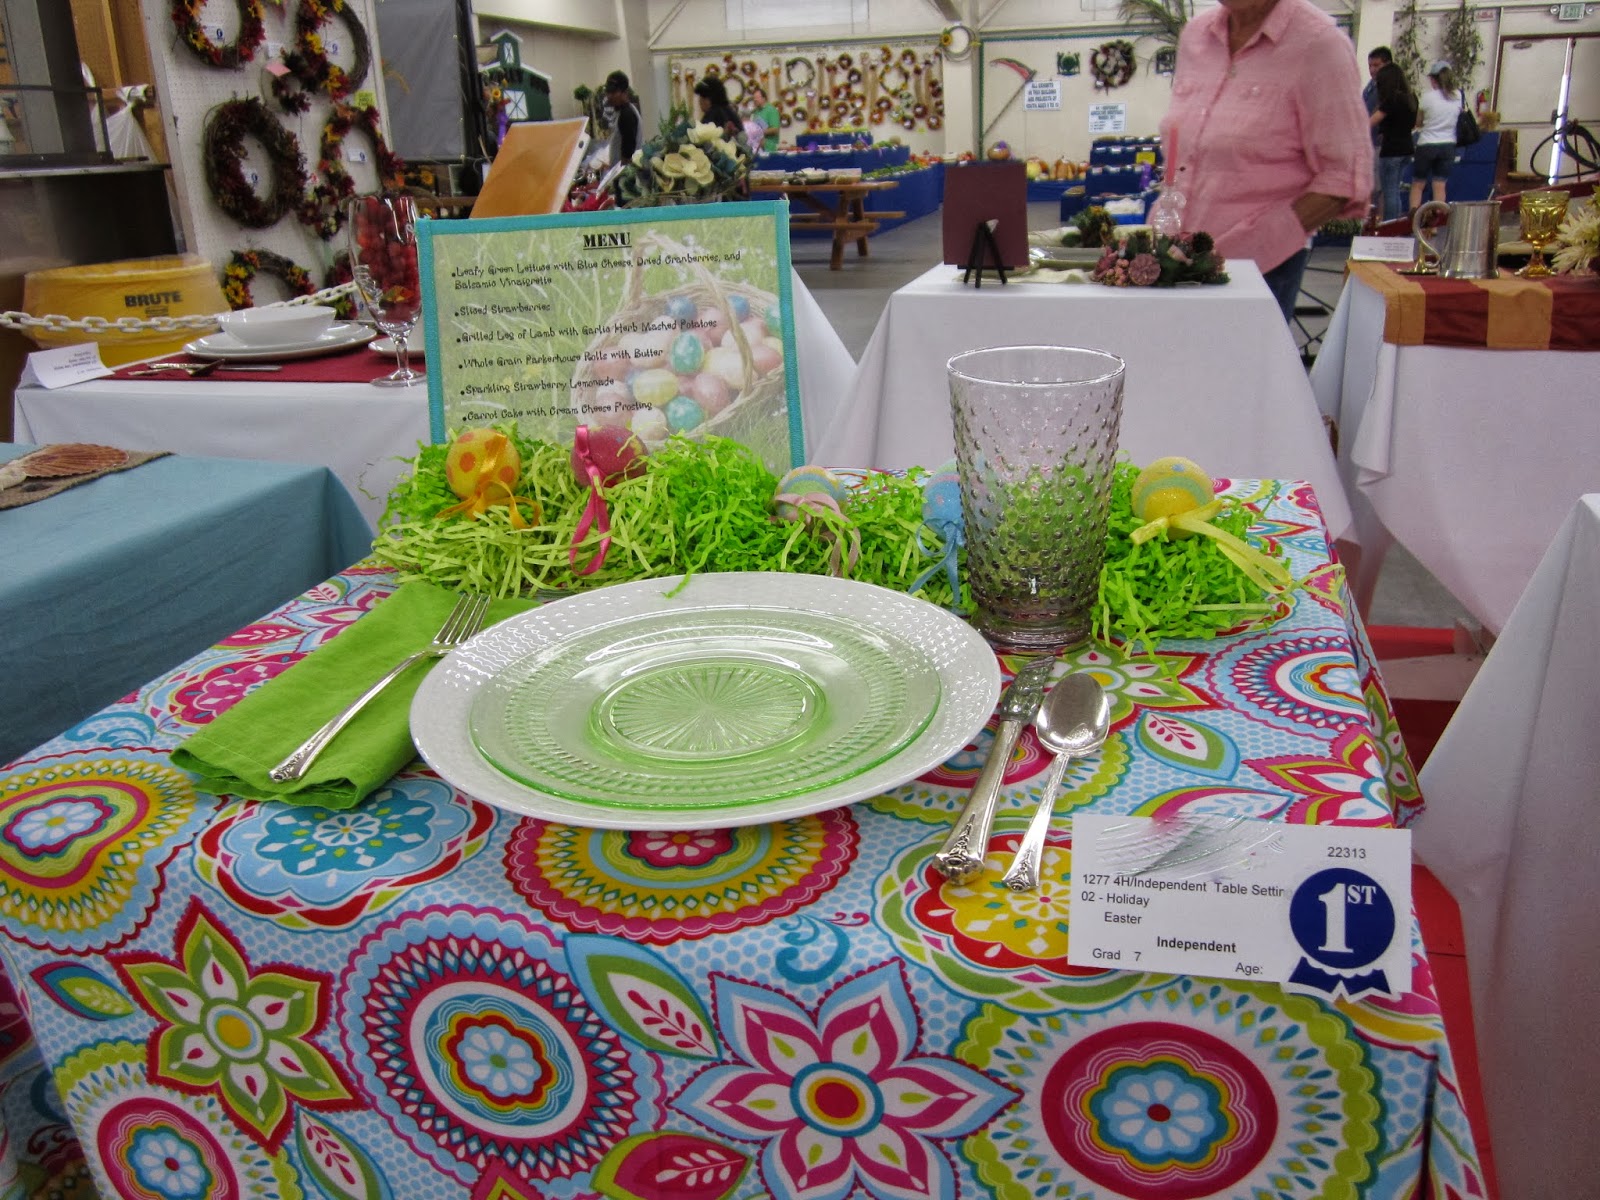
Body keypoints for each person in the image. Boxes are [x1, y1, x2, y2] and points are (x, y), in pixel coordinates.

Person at [1159, 0, 1373, 322]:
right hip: (1171, 259)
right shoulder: (1196, 36)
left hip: (1259, 270)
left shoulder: (1320, 44)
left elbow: (1343, 176)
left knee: (1242, 371)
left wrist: (1258, 244)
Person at [1369, 61, 1416, 221]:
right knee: (1395, 190)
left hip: (1391, 149)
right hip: (1407, 147)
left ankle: (1389, 225)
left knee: (1389, 192)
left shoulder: (1391, 99)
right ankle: (1396, 224)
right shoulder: (1411, 98)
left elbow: (1372, 121)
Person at [1412, 60, 1461, 211]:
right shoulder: (1457, 95)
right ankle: (1435, 224)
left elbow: (1418, 122)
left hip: (1427, 145)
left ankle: (1414, 220)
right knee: (1439, 186)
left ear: (1433, 79)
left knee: (1418, 185)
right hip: (1448, 146)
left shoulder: (1428, 97)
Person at [1363, 46, 1393, 212]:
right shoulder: (1371, 86)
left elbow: (1381, 112)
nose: (1372, 70)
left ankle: (1378, 224)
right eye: (1370, 66)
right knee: (1369, 184)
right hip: (1368, 141)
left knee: (1378, 187)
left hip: (1380, 142)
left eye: (1377, 65)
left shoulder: (1387, 87)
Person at [603, 70, 641, 165]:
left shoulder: (627, 115)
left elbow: (627, 155)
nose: (609, 96)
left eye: (614, 92)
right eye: (608, 92)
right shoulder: (621, 111)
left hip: (625, 172)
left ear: (625, 92)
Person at [694, 76, 743, 142]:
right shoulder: (731, 113)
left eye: (701, 97)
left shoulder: (711, 115)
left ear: (708, 99)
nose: (699, 101)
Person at [747, 85, 780, 154]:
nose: (755, 100)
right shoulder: (755, 112)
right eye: (754, 98)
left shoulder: (771, 110)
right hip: (756, 149)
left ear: (764, 98)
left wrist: (758, 132)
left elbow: (775, 130)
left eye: (757, 97)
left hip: (769, 148)